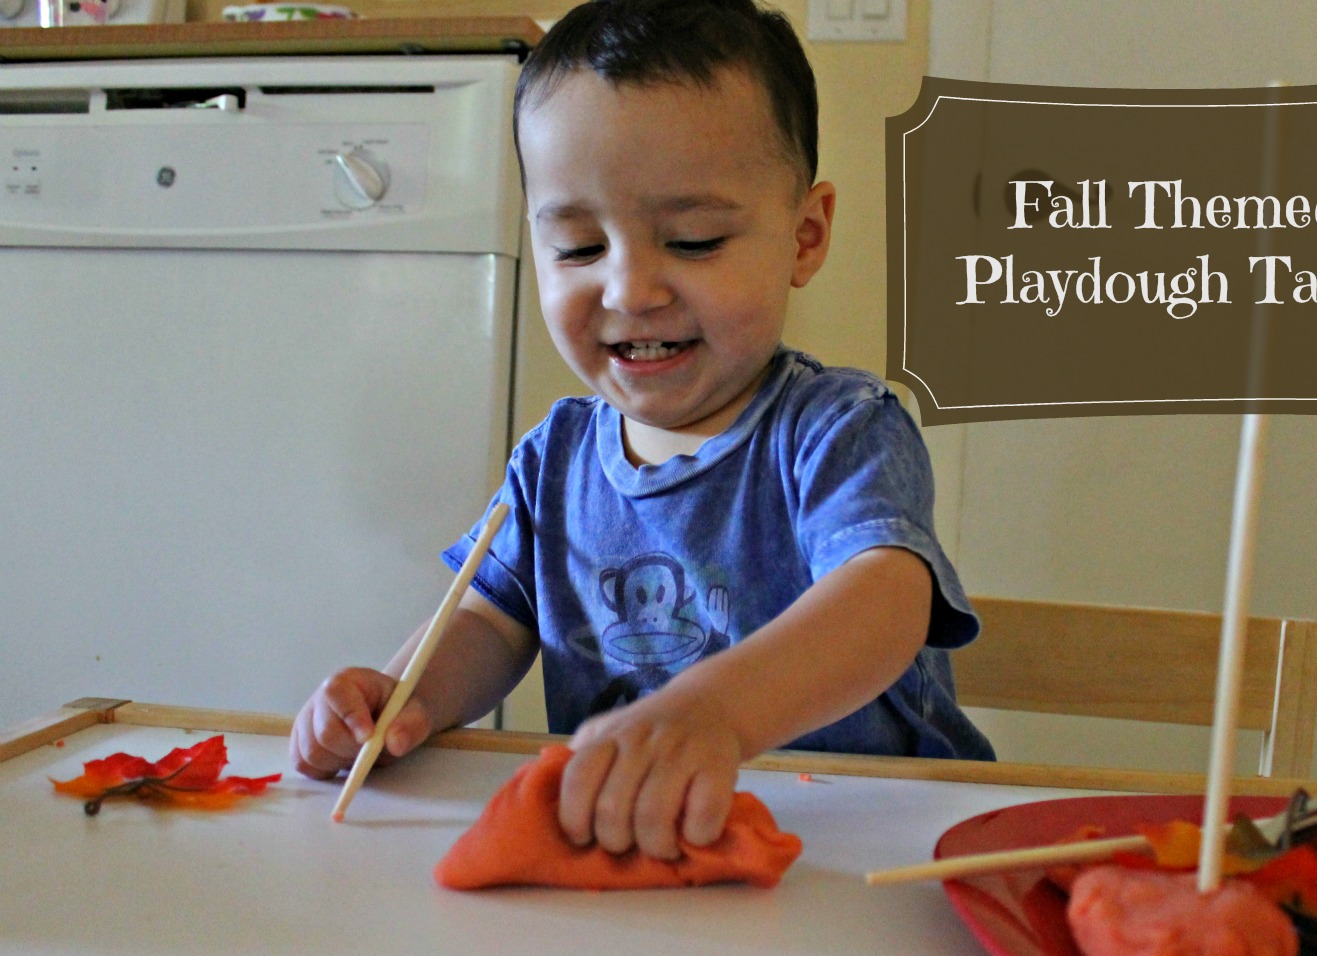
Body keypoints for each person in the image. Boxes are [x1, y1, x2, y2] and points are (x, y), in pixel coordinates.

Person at [290, 0, 994, 861]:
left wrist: (713, 714)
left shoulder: (837, 429)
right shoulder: (553, 460)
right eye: (580, 248)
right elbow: (487, 619)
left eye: (693, 240)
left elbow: (884, 604)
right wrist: (400, 696)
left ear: (803, 238)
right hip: (641, 845)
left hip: (867, 850)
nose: (629, 290)